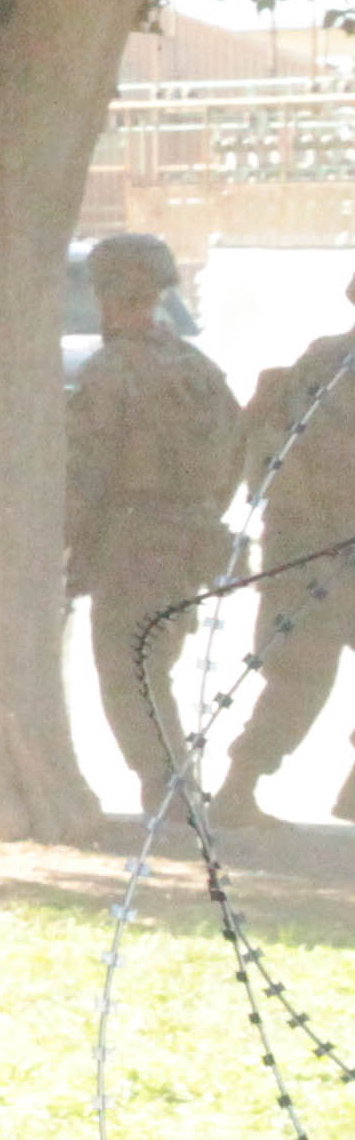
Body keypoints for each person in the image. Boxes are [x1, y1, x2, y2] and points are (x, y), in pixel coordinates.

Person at [65, 230, 241, 805]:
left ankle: (168, 789)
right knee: (153, 665)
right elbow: (235, 456)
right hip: (190, 540)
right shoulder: (200, 370)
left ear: (106, 292)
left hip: (133, 540)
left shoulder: (109, 373)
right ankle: (175, 785)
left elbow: (83, 477)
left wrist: (68, 549)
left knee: (127, 668)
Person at [213, 269, 355, 826]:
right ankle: (239, 789)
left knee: (295, 678)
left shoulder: (319, 360)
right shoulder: (325, 364)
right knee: (298, 679)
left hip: (301, 549)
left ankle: (237, 787)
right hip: (324, 545)